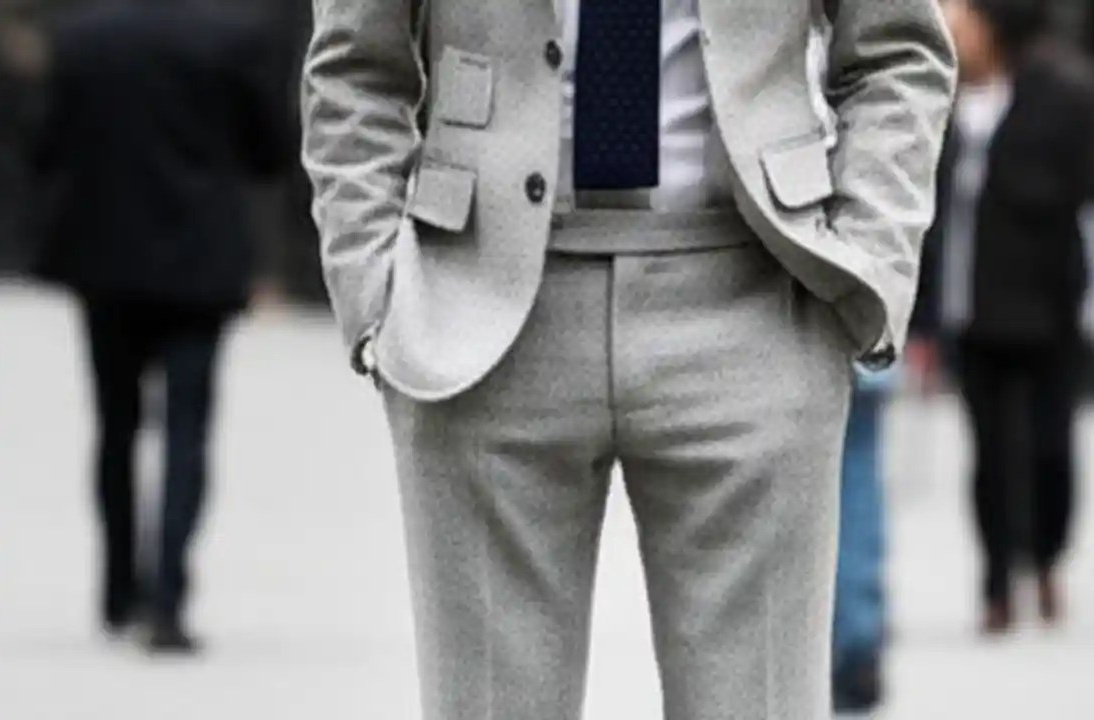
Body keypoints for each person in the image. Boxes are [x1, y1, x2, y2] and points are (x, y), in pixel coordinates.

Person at [302, 0, 956, 715]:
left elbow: (898, 51)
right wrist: (375, 296)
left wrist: (869, 258)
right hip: (480, 310)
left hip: (751, 297)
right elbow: (356, 68)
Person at [35, 0, 285, 653]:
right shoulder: (234, 37)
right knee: (187, 429)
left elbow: (47, 146)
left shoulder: (82, 37)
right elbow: (268, 151)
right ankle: (168, 598)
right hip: (198, 263)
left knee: (116, 427)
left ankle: (119, 591)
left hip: (105, 258)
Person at [912, 0, 1094, 635]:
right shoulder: (936, 94)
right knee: (989, 453)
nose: (952, 27)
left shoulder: (1065, 94)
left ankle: (1045, 557)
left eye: (963, 17)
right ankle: (996, 581)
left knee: (1051, 445)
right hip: (970, 309)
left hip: (1047, 306)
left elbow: (1081, 191)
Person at [830, 371, 892, 715]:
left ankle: (822, 639)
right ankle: (859, 636)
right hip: (867, 346)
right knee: (859, 483)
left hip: (789, 348)